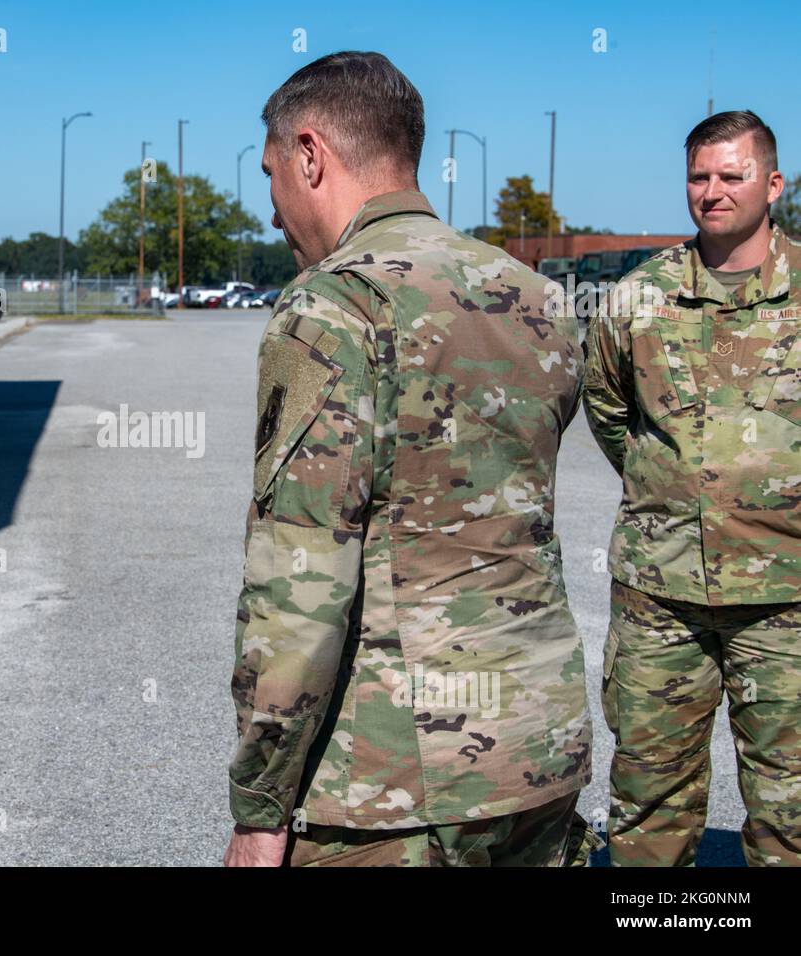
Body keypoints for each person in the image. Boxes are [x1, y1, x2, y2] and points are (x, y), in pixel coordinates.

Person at [224, 51, 594, 867]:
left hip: (394, 787)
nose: (275, 213)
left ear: (311, 154)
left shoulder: (334, 306)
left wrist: (260, 805)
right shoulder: (536, 298)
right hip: (537, 750)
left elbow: (303, 583)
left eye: (272, 173)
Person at [584, 110, 801, 866]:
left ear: (772, 184)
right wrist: (676, 493)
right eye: (699, 176)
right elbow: (609, 410)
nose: (712, 192)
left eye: (731, 175)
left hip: (787, 601)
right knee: (648, 799)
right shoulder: (640, 299)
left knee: (792, 805)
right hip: (660, 597)